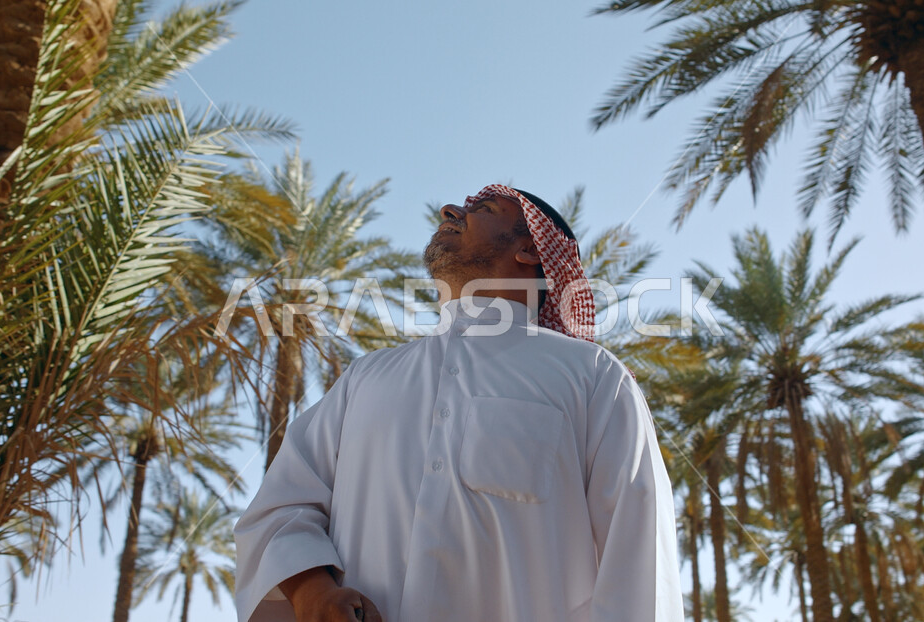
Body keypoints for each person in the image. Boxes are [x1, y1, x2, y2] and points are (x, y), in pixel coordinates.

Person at [234, 184, 683, 622]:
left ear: (529, 249)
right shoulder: (365, 378)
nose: (450, 210)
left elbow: (638, 554)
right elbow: (283, 506)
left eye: (484, 208)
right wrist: (313, 593)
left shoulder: (593, 377)